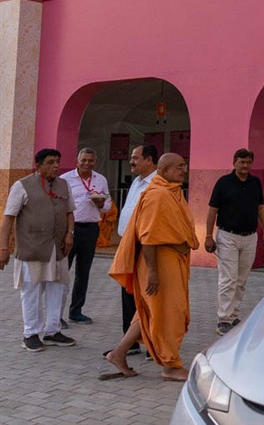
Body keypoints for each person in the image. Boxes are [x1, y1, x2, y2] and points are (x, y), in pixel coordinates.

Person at [105, 153, 198, 381]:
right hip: (158, 263)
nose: (184, 170)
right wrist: (154, 272)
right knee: (169, 312)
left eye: (185, 165)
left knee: (148, 310)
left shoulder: (171, 192)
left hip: (170, 261)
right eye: (179, 167)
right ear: (164, 171)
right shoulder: (157, 196)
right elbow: (147, 237)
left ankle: (118, 353)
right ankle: (170, 365)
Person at [0, 149, 77, 351]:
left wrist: (70, 233)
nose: (55, 166)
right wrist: (3, 247)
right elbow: (8, 218)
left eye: (57, 162)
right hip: (32, 247)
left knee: (58, 289)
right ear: (39, 166)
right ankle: (30, 334)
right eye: (50, 162)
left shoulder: (63, 185)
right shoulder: (22, 186)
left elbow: (70, 212)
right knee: (31, 291)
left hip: (58, 248)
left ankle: (53, 330)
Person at [205, 148, 264, 335]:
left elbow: (260, 208)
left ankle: (233, 315)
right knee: (228, 278)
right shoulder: (223, 183)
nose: (245, 166)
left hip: (250, 236)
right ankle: (223, 319)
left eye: (248, 162)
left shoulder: (255, 183)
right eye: (242, 162)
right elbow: (212, 210)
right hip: (228, 236)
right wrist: (208, 236)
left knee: (241, 280)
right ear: (234, 162)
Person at [114, 143, 158, 354]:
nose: (131, 161)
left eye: (135, 157)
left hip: (145, 246)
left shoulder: (158, 184)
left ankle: (152, 343)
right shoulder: (136, 183)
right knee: (128, 292)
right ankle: (130, 342)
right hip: (128, 245)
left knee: (148, 295)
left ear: (149, 160)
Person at [60, 147, 111, 324]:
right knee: (62, 272)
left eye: (91, 160)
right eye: (84, 160)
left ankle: (76, 311)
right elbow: (59, 205)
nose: (87, 163)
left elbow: (108, 206)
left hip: (90, 229)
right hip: (69, 230)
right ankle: (56, 314)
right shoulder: (65, 180)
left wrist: (100, 203)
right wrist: (66, 231)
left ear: (95, 162)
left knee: (83, 272)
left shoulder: (100, 179)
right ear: (77, 160)